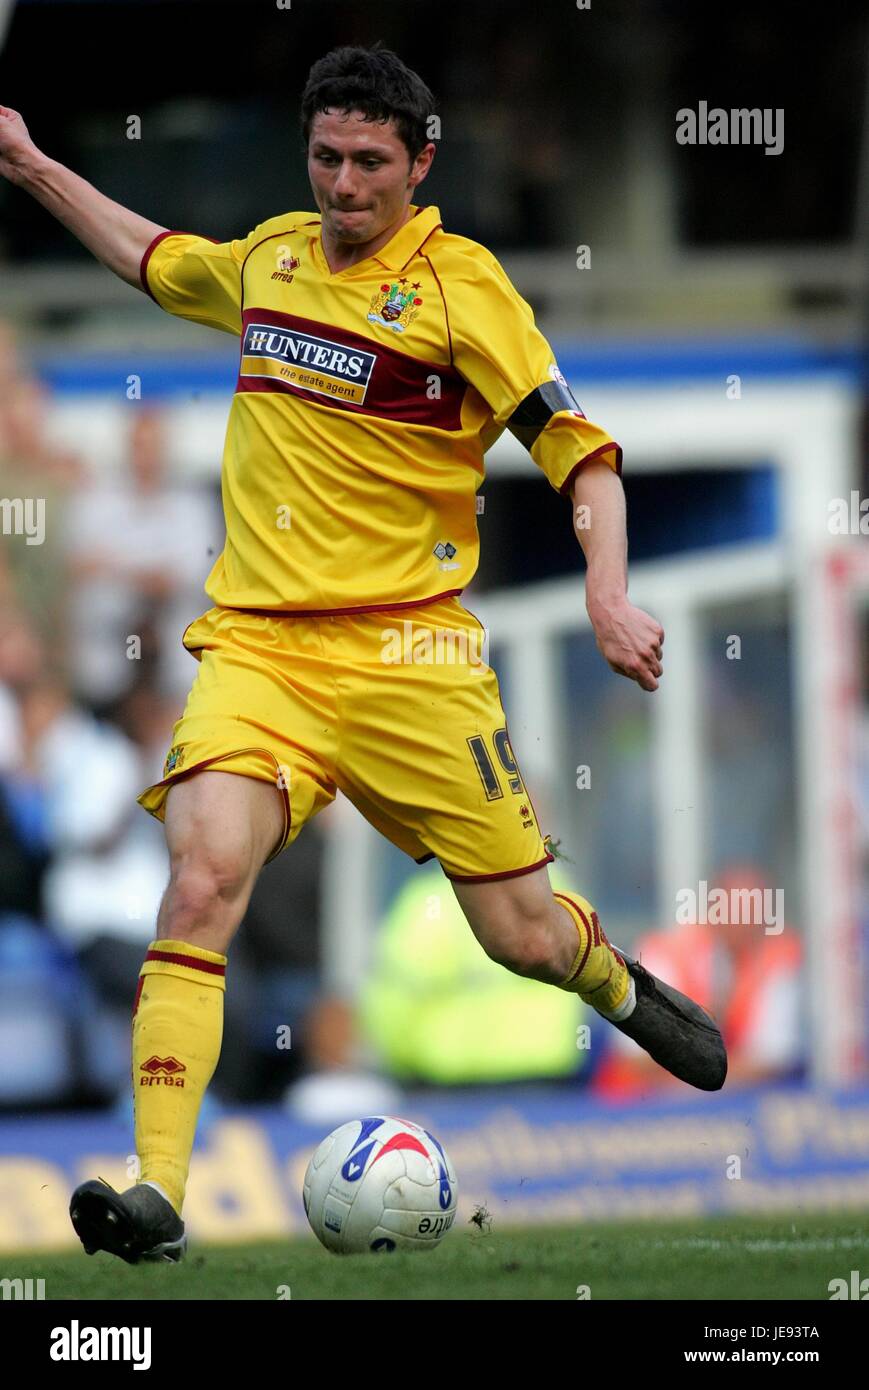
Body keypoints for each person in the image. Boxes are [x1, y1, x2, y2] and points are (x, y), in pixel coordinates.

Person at [0, 43, 725, 1265]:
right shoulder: (272, 257)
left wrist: (606, 591)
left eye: (369, 164)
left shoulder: (463, 290)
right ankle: (158, 1190)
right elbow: (148, 253)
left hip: (414, 660)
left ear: (419, 163)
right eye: (327, 159)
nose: (343, 186)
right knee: (198, 880)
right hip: (259, 654)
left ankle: (614, 983)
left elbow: (579, 451)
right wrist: (26, 164)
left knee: (520, 937)